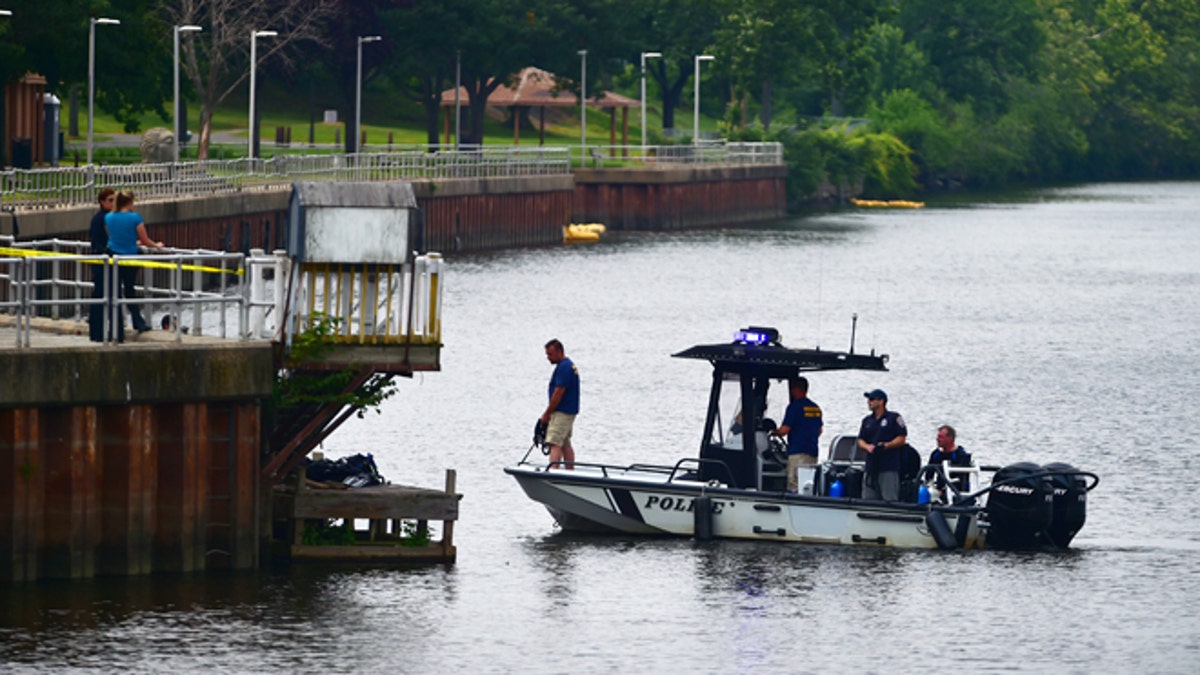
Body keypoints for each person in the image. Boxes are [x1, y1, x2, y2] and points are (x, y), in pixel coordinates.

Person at [105, 191, 163, 334]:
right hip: (130, 257)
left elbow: (112, 236)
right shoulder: (135, 218)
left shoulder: (108, 217)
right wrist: (157, 246)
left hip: (113, 256)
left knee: (114, 290)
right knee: (130, 289)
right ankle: (138, 321)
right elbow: (145, 240)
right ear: (130, 202)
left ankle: (115, 323)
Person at [771, 377, 822, 491]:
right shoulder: (815, 408)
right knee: (807, 484)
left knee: (794, 483)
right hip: (813, 452)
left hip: (797, 452)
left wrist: (774, 432)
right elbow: (819, 431)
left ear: (797, 389)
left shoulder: (794, 407)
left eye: (792, 388)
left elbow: (784, 430)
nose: (791, 391)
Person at [857, 388, 907, 501]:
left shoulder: (894, 418)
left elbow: (902, 438)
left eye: (872, 399)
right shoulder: (867, 421)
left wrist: (886, 445)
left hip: (888, 466)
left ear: (881, 401)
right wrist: (867, 447)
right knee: (868, 499)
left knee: (889, 499)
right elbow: (860, 440)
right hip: (871, 467)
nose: (868, 402)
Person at [540, 339, 580, 470]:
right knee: (565, 443)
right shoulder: (567, 366)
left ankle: (553, 470)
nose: (548, 358)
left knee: (554, 442)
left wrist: (547, 414)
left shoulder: (564, 367)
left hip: (562, 411)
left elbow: (558, 393)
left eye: (550, 354)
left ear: (559, 351)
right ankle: (570, 471)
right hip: (568, 411)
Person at [87, 188, 117, 342]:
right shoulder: (105, 218)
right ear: (102, 202)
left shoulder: (98, 218)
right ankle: (105, 332)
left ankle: (97, 332)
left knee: (100, 296)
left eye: (114, 200)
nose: (113, 203)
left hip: (99, 260)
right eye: (110, 200)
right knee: (105, 296)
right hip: (104, 261)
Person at [928, 424, 973, 493]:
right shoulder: (936, 454)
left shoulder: (960, 455)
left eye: (940, 437)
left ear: (950, 439)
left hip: (956, 492)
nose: (937, 439)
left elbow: (963, 478)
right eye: (938, 436)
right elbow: (928, 476)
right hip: (939, 490)